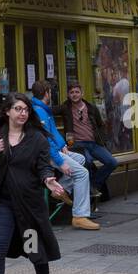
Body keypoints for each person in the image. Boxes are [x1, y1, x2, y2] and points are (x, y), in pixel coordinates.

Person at [0, 92, 65, 274]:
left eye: (26, 110)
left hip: (29, 208)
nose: (23, 113)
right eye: (18, 109)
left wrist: (48, 179)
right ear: (7, 111)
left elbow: (44, 166)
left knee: (34, 251)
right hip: (4, 204)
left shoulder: (37, 138)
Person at [29, 81, 100, 229]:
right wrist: (60, 162)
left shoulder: (44, 109)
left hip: (53, 150)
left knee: (80, 158)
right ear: (47, 93)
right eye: (50, 92)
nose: (51, 94)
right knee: (82, 174)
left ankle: (61, 189)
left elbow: (53, 132)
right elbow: (46, 142)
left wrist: (62, 146)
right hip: (46, 154)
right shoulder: (39, 111)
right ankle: (80, 216)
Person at [53, 83, 116, 203]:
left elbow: (100, 125)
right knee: (88, 161)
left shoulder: (91, 108)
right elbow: (50, 110)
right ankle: (89, 192)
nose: (74, 95)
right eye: (71, 92)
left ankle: (93, 185)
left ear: (82, 93)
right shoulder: (65, 107)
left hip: (93, 143)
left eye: (77, 92)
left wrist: (102, 140)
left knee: (112, 162)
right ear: (68, 95)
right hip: (76, 144)